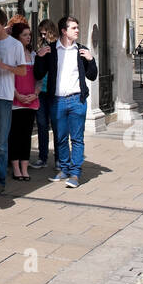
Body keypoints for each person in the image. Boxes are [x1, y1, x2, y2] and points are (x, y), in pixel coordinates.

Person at [34, 15, 98, 189]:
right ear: (64, 31)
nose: (77, 30)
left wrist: (91, 60)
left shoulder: (82, 50)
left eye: (77, 27)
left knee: (77, 138)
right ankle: (63, 168)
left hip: (77, 100)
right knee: (60, 138)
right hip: (57, 101)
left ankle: (75, 173)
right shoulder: (51, 50)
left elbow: (92, 75)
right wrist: (39, 58)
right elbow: (38, 74)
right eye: (73, 28)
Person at [0, 7, 26, 193]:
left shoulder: (15, 45)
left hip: (4, 96)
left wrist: (2, 65)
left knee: (1, 142)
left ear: (3, 25)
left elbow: (23, 71)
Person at [9, 23, 39, 181]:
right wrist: (17, 94)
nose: (28, 37)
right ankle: (15, 168)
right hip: (16, 100)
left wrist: (35, 94)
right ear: (17, 37)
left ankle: (24, 167)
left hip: (31, 100)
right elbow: (9, 78)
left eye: (29, 34)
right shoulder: (13, 54)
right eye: (24, 35)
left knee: (26, 135)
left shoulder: (33, 54)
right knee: (15, 135)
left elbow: (39, 78)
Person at [31, 18, 58, 170]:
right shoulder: (40, 48)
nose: (43, 37)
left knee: (56, 125)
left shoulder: (58, 48)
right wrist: (39, 56)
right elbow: (37, 72)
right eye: (41, 34)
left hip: (54, 92)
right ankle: (42, 157)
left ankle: (59, 158)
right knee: (42, 125)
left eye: (45, 34)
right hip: (41, 91)